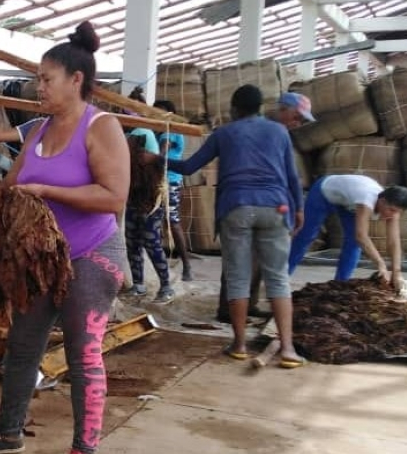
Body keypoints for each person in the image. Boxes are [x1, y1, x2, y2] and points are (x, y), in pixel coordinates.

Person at [0, 22, 129, 454]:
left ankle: (84, 452)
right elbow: (13, 181)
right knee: (22, 348)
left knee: (83, 353)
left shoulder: (102, 127)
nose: (40, 87)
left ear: (76, 80)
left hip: (93, 254)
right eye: (38, 79)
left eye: (47, 79)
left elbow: (113, 197)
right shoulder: (37, 130)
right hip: (42, 261)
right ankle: (8, 432)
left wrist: (48, 189)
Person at [162, 85, 305, 368]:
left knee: (237, 277)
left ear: (234, 109)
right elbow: (292, 175)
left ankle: (239, 345)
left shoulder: (224, 133)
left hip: (236, 206)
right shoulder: (279, 132)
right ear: (261, 108)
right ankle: (287, 349)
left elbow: (190, 167)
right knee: (278, 279)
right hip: (275, 206)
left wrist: (157, 160)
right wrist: (298, 209)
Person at [215, 90, 315, 323]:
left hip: (264, 204)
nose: (297, 123)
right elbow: (291, 176)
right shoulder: (262, 130)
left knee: (258, 259)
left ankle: (248, 304)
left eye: (300, 120)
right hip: (246, 202)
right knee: (239, 261)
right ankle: (227, 309)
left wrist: (297, 207)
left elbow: (291, 176)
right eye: (296, 117)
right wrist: (298, 208)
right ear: (283, 109)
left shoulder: (278, 133)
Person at [289, 175, 407, 287]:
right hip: (323, 193)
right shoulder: (366, 199)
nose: (393, 215)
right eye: (391, 210)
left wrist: (396, 272)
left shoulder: (393, 210)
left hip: (348, 203)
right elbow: (361, 236)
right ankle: (282, 278)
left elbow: (393, 242)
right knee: (305, 236)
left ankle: (340, 285)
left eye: (398, 212)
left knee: (353, 244)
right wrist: (381, 265)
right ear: (382, 201)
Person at [125, 128, 173, 300]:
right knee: (132, 244)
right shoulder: (129, 162)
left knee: (152, 243)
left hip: (152, 206)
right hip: (133, 204)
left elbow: (156, 187)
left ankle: (166, 286)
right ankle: (138, 284)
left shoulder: (156, 166)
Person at [153, 100, 193, 282]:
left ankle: (187, 267)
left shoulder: (171, 131)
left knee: (172, 223)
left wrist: (150, 157)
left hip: (169, 182)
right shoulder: (163, 131)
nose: (157, 114)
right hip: (164, 181)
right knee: (163, 222)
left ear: (170, 113)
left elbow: (162, 153)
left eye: (160, 111)